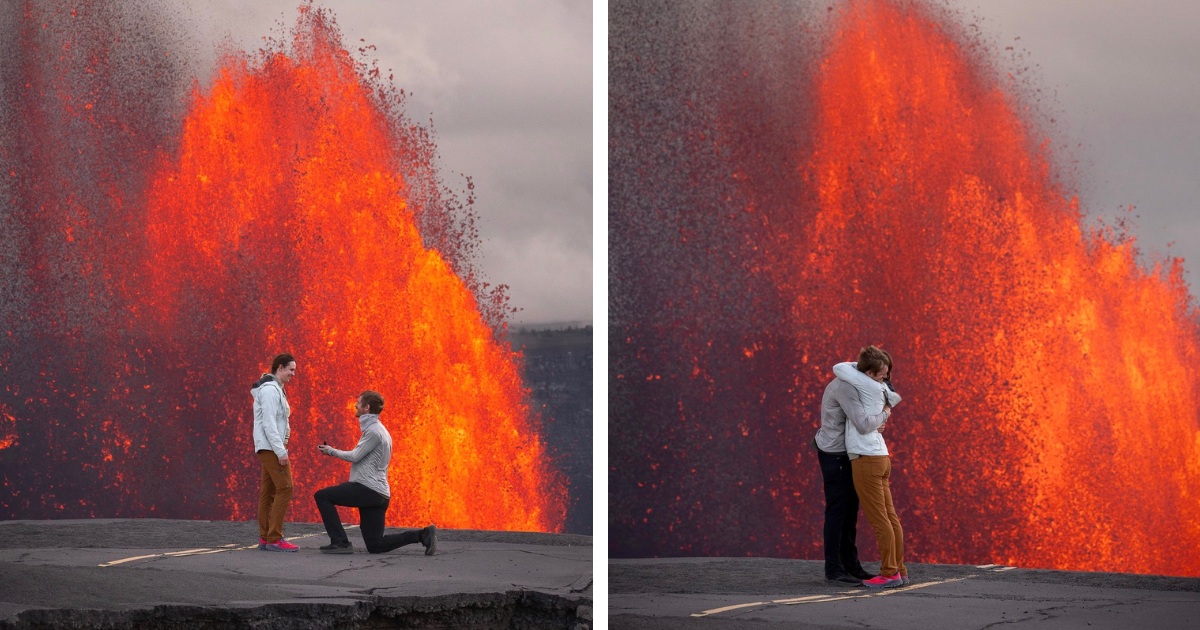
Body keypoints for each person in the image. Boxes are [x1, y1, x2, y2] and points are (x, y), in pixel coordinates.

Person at [314, 390, 437, 555]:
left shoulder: (373, 432)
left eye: (358, 403)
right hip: (379, 495)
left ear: (366, 407)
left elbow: (355, 456)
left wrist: (330, 451)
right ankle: (422, 535)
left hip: (367, 489)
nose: (355, 405)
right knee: (376, 546)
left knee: (322, 496)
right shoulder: (380, 430)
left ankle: (340, 542)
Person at [834, 346, 909, 588]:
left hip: (866, 458)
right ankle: (899, 569)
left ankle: (889, 573)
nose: (884, 377)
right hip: (880, 456)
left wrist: (862, 368)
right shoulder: (881, 388)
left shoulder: (867, 383)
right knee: (890, 517)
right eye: (881, 373)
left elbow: (839, 367)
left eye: (884, 373)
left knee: (880, 520)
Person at [813, 362, 879, 584]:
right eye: (880, 376)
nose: (882, 381)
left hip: (846, 452)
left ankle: (851, 565)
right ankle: (833, 569)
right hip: (836, 454)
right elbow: (862, 423)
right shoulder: (846, 388)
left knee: (850, 511)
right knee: (838, 511)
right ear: (868, 373)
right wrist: (884, 416)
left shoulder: (855, 383)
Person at [252, 353, 299, 552]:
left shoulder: (272, 389)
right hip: (271, 447)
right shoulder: (271, 391)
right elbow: (269, 422)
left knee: (269, 491)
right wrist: (281, 451)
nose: (293, 374)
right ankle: (274, 538)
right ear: (280, 367)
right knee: (285, 488)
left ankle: (266, 537)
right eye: (291, 369)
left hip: (268, 446)